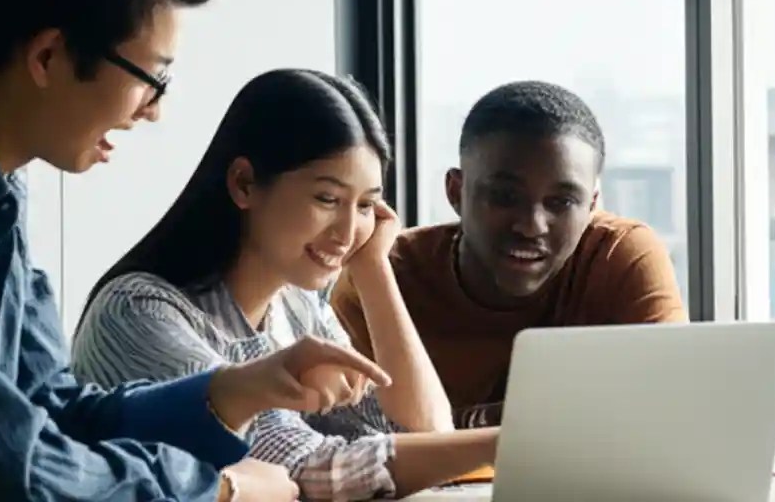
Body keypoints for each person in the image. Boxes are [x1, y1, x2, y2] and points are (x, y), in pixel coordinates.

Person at [0, 0, 389, 501]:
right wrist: (213, 490)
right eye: (153, 77)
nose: (154, 110)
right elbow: (11, 470)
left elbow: (56, 410)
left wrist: (235, 390)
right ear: (48, 57)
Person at [73, 69, 500, 500]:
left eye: (367, 204)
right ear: (244, 183)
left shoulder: (297, 305)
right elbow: (309, 472)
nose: (349, 231)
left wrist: (373, 271)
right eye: (327, 199)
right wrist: (500, 443)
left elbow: (423, 430)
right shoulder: (138, 312)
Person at [331, 80, 688, 428]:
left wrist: (480, 420)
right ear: (456, 192)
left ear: (591, 205)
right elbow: (361, 439)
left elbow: (672, 406)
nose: (532, 226)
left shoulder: (619, 257)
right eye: (504, 197)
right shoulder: (383, 276)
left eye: (561, 203)